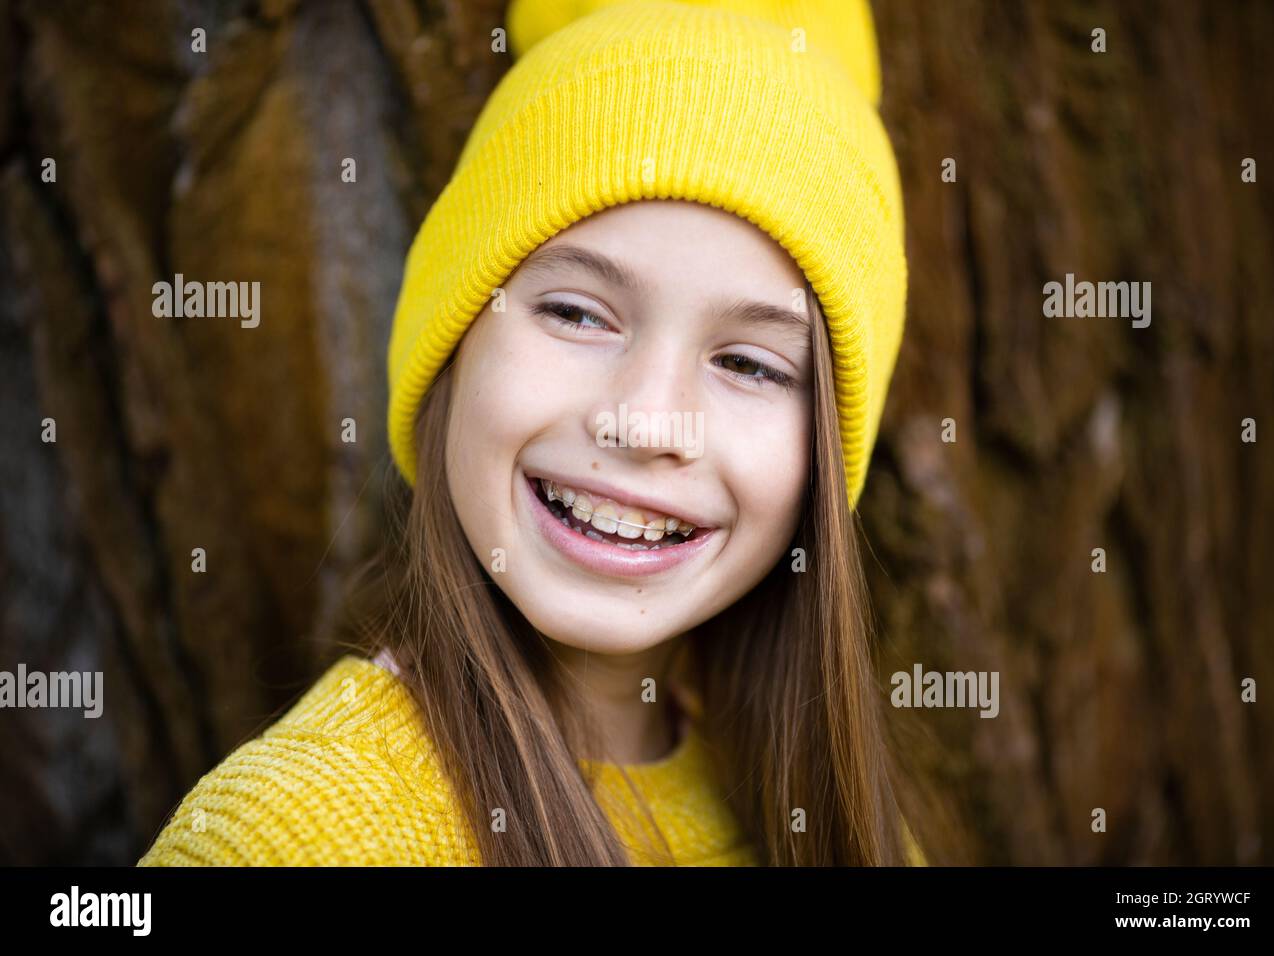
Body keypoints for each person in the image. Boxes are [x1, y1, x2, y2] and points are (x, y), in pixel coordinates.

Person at [138, 0, 920, 866]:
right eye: (578, 314)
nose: (644, 421)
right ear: (453, 341)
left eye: (750, 365)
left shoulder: (811, 810)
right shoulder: (293, 834)